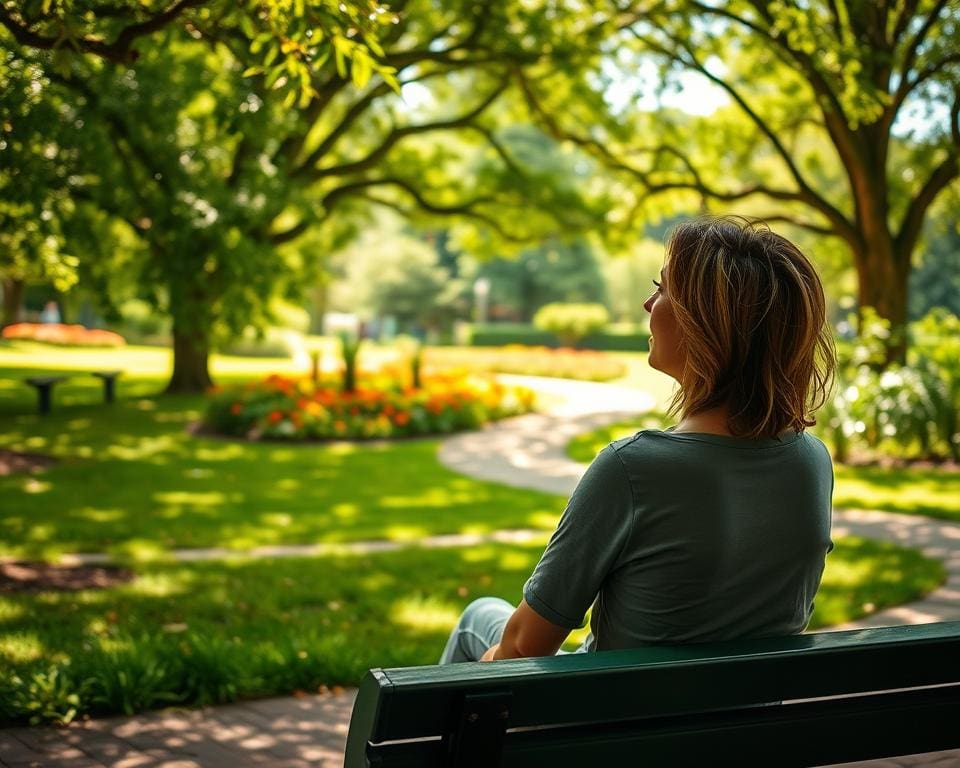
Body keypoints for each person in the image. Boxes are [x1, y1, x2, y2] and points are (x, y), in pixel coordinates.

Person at [439, 216, 836, 665]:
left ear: (705, 323)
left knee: (477, 618)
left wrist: (473, 679)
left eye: (663, 288)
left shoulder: (633, 470)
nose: (649, 304)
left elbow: (524, 649)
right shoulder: (811, 463)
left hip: (612, 708)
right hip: (746, 707)